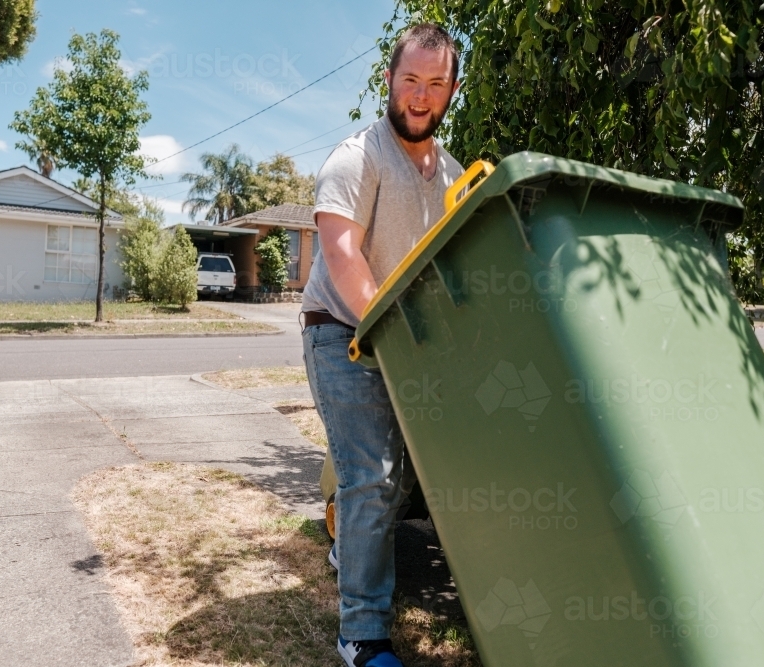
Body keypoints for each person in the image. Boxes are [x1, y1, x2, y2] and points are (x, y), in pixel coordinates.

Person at [301, 23, 464, 667]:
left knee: (402, 477)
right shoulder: (357, 157)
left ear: (451, 88)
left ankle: (346, 531)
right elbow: (342, 257)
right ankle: (361, 635)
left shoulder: (452, 174)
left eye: (435, 83)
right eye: (409, 81)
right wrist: (385, 328)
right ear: (389, 82)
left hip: (405, 339)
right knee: (374, 475)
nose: (420, 97)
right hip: (343, 333)